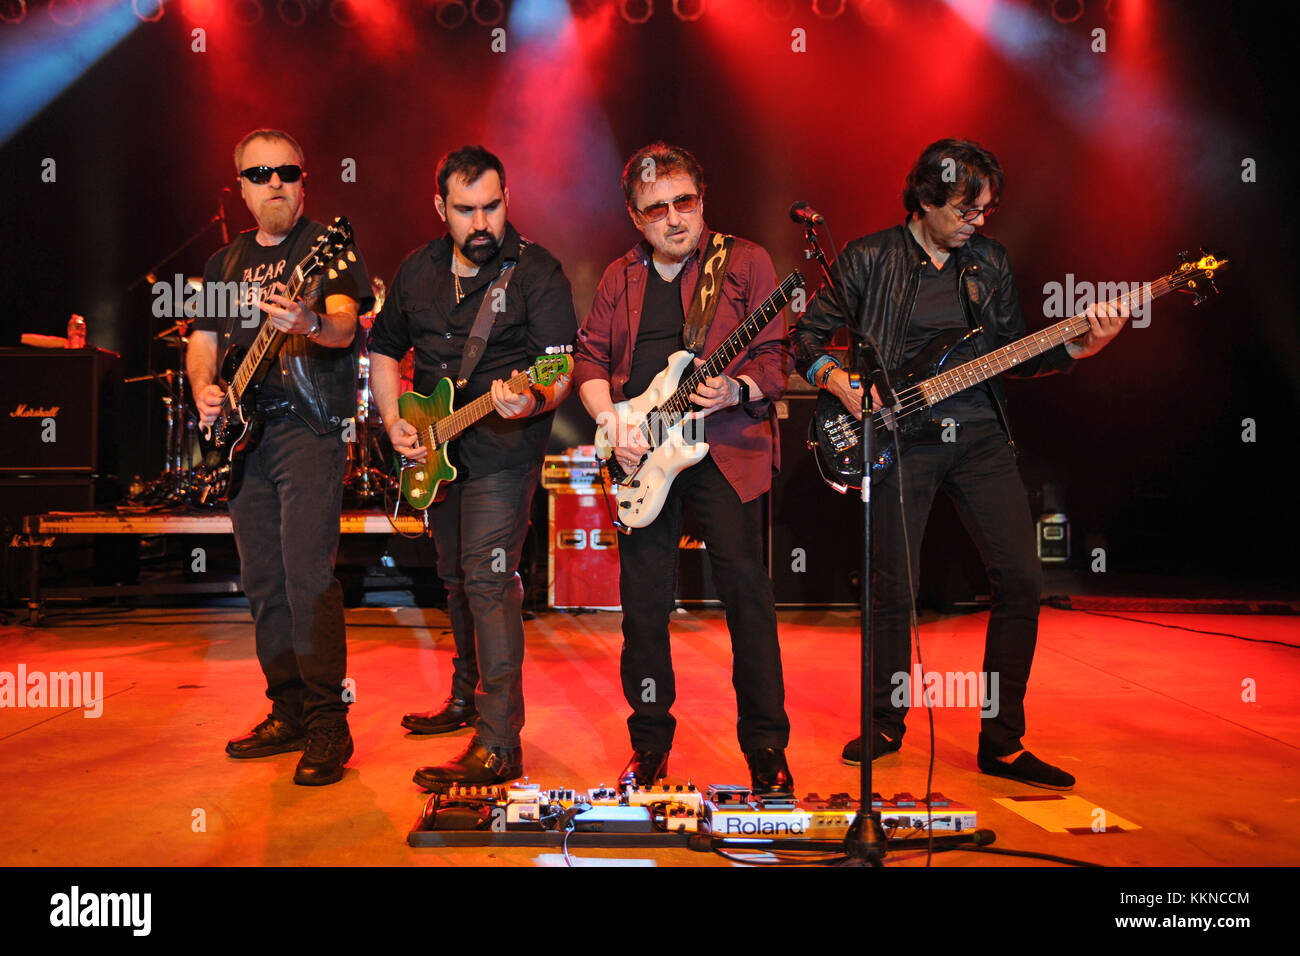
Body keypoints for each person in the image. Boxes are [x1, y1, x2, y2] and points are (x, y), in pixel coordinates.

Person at [791, 138, 1125, 789]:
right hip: (896, 435)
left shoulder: (989, 263)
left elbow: (1016, 354)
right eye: (966, 209)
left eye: (986, 211)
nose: (978, 222)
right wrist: (840, 382)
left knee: (1022, 580)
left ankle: (1002, 741)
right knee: (894, 588)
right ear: (924, 198)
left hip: (978, 436)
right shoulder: (868, 258)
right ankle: (886, 723)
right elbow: (804, 338)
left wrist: (1084, 346)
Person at [574, 142, 796, 796]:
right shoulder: (620, 277)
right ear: (635, 218)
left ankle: (766, 751)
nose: (673, 219)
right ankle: (649, 748)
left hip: (726, 447)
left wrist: (739, 390)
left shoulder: (746, 261)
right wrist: (613, 422)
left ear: (703, 201)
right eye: (656, 209)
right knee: (643, 610)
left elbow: (777, 357)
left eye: (685, 203)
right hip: (644, 456)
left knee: (747, 601)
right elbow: (588, 361)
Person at [368, 145, 576, 789]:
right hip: (437, 452)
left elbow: (560, 368)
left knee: (489, 583)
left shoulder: (537, 272)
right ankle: (464, 698)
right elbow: (383, 350)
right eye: (465, 210)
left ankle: (500, 741)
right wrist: (391, 418)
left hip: (503, 455)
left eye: (492, 206)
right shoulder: (416, 270)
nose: (481, 222)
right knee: (456, 581)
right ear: (441, 208)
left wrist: (532, 398)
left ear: (506, 200)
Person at [190, 128, 373, 786]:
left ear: (303, 181)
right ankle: (288, 710)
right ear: (239, 187)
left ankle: (329, 722)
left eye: (287, 172)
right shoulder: (222, 263)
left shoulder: (327, 247)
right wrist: (206, 391)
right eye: (260, 173)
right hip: (245, 437)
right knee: (263, 581)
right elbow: (202, 340)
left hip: (310, 429)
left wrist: (311, 325)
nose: (275, 182)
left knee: (307, 577)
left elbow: (346, 322)